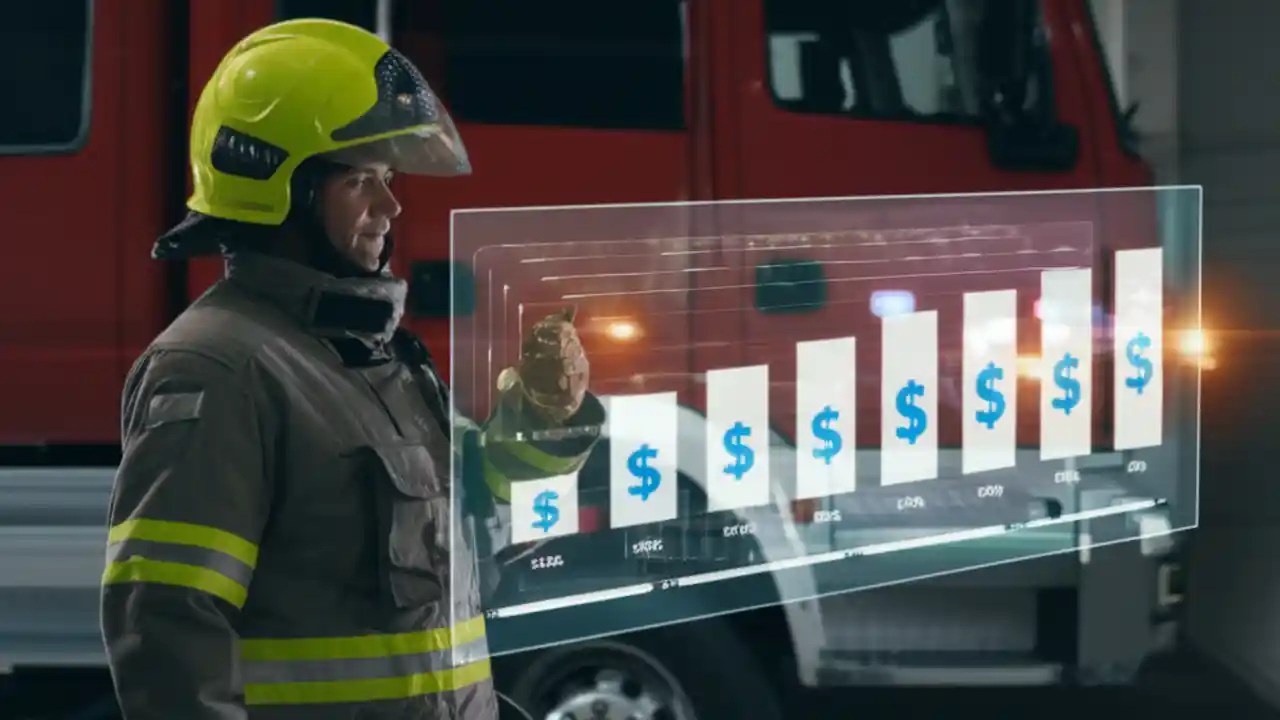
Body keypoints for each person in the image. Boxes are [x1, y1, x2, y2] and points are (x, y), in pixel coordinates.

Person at [100, 18, 603, 719]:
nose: (391, 207)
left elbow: (482, 500)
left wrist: (547, 415)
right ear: (277, 186)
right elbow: (168, 631)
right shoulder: (217, 369)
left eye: (388, 178)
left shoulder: (375, 354)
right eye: (361, 181)